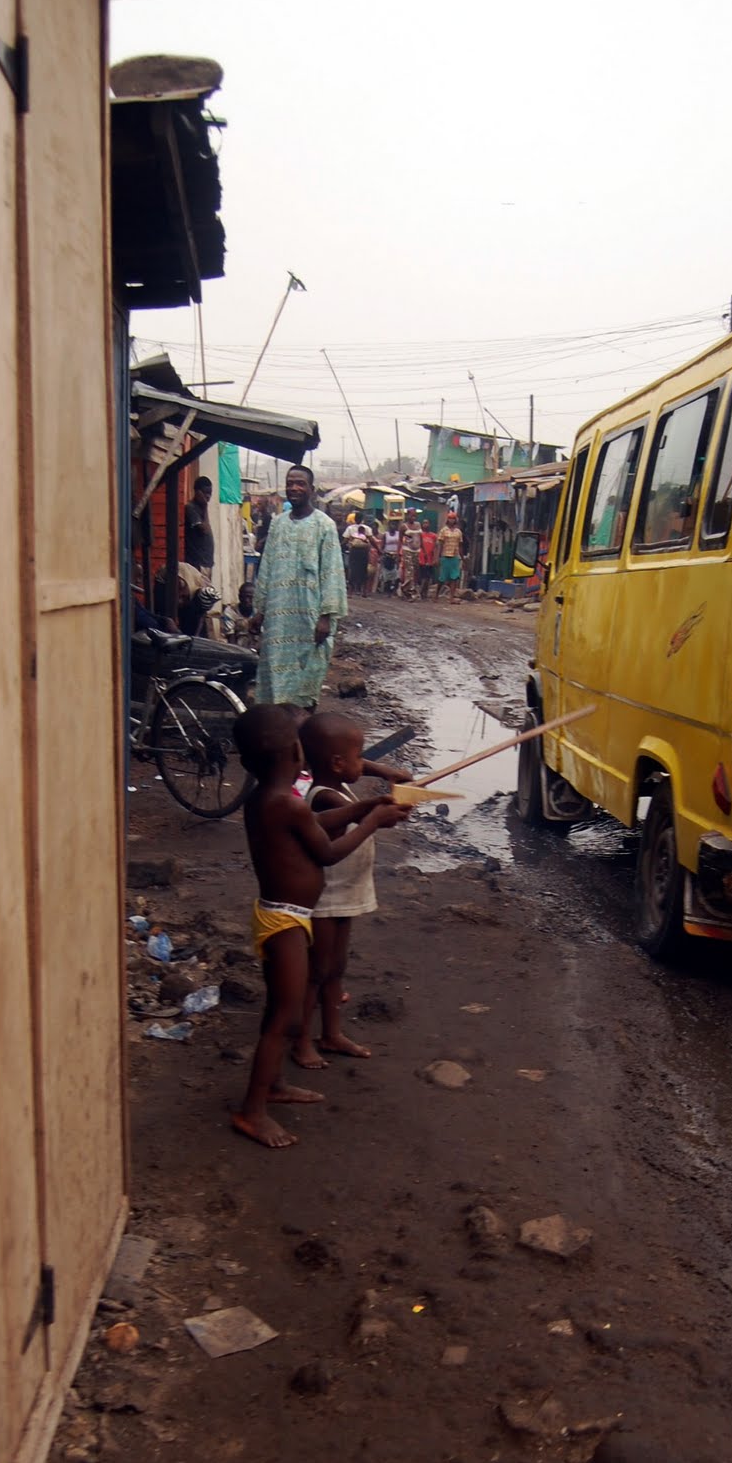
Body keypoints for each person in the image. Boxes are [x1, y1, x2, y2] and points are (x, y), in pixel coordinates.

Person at [230, 705, 410, 1148]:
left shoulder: (271, 800)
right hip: (284, 922)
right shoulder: (283, 804)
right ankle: (252, 1112)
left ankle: (271, 1086)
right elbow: (327, 853)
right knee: (282, 1017)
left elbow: (314, 825)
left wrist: (364, 806)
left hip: (287, 917)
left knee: (285, 1011)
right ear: (296, 752)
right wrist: (370, 821)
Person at [294, 713, 410, 1068]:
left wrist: (385, 775)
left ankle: (331, 1033)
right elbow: (361, 815)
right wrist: (379, 813)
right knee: (316, 971)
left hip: (346, 893)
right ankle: (301, 1043)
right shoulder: (324, 797)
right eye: (359, 756)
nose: (365, 762)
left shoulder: (336, 781)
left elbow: (358, 776)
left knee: (336, 967)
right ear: (337, 763)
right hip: (327, 898)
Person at [251, 465, 347, 710]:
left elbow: (333, 573)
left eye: (300, 483)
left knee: (305, 684)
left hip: (310, 619)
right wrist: (259, 610)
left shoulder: (324, 525)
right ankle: (278, 741)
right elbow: (267, 567)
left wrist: (326, 617)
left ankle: (302, 741)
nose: (294, 487)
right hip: (277, 620)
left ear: (311, 490)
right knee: (274, 684)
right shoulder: (278, 524)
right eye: (290, 482)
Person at [185, 475, 215, 574]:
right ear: (197, 492)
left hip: (206, 563)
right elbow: (204, 530)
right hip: (197, 564)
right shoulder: (191, 508)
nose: (208, 496)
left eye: (210, 493)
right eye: (205, 493)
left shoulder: (201, 510)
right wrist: (206, 506)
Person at [435, 509, 465, 602]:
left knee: (454, 577)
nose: (451, 520)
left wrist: (462, 558)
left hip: (455, 556)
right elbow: (440, 544)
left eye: (453, 519)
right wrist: (437, 557)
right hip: (445, 556)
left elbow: (460, 545)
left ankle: (451, 597)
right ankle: (436, 594)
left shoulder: (458, 532)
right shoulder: (443, 530)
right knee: (442, 577)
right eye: (450, 518)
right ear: (447, 520)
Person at [345, 519, 372, 594]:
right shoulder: (365, 535)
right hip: (363, 553)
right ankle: (363, 591)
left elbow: (347, 540)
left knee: (353, 570)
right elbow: (369, 543)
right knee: (363, 571)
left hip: (354, 553)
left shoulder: (352, 532)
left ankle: (351, 591)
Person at [400, 510, 421, 598]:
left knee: (415, 569)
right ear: (407, 516)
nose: (413, 518)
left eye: (415, 516)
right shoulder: (403, 526)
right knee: (410, 570)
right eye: (412, 516)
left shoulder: (418, 525)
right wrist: (399, 552)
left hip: (417, 550)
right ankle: (410, 591)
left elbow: (421, 537)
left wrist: (422, 549)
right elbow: (400, 538)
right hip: (407, 549)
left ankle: (405, 587)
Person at [380, 518, 402, 594]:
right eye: (391, 524)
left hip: (396, 555)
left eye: (395, 524)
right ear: (389, 525)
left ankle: (394, 589)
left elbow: (401, 543)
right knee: (387, 574)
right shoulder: (385, 534)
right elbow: (382, 546)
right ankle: (387, 590)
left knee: (396, 574)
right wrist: (382, 555)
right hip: (387, 555)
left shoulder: (398, 534)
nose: (393, 526)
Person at [417, 519, 438, 599]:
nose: (426, 524)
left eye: (427, 523)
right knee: (422, 577)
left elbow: (436, 547)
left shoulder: (433, 536)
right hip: (421, 559)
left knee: (428, 578)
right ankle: (421, 592)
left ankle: (424, 593)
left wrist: (435, 558)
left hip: (430, 560)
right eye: (424, 523)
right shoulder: (420, 535)